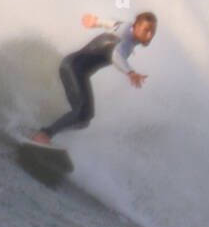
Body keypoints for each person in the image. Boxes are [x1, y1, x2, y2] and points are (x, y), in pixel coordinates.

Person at [29, 11, 156, 144]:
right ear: (136, 26)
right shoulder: (122, 42)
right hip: (72, 68)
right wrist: (130, 72)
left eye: (152, 32)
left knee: (85, 119)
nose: (149, 35)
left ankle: (45, 132)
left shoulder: (127, 27)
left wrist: (96, 22)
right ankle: (44, 134)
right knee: (82, 113)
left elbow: (114, 23)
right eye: (146, 30)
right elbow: (116, 55)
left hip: (77, 71)